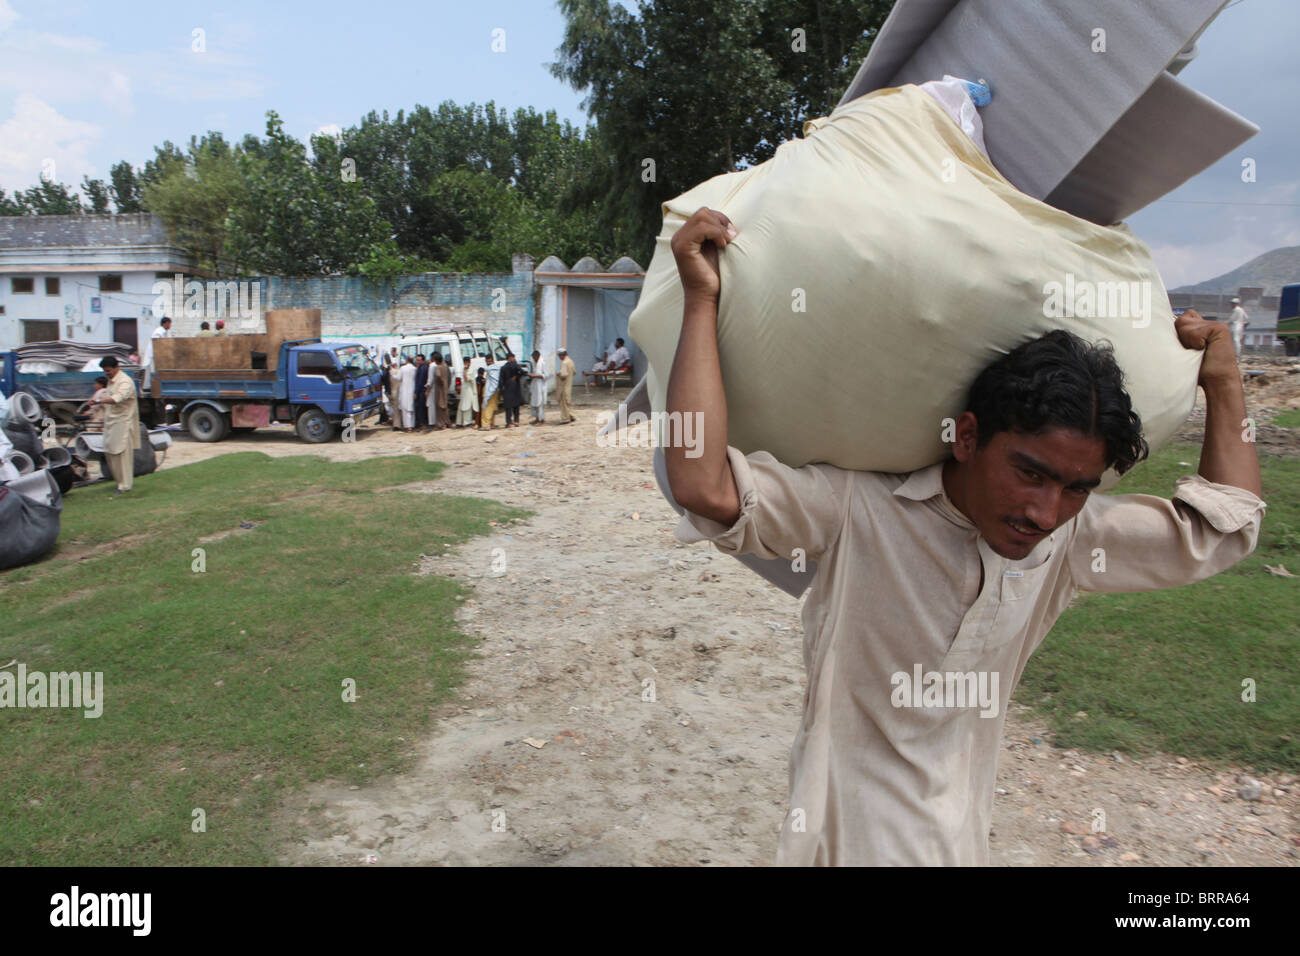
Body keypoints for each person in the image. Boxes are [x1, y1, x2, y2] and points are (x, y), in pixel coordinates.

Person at [663, 207, 1265, 867]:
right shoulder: (860, 510)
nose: (1044, 511)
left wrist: (1225, 384)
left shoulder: (1068, 542)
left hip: (959, 844)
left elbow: (1224, 529)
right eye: (1029, 473)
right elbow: (703, 485)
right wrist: (701, 300)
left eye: (1076, 487)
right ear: (969, 437)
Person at [89, 356, 141, 495]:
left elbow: (117, 398)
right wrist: (95, 399)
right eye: (105, 371)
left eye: (109, 370)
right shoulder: (111, 382)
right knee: (111, 453)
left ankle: (125, 485)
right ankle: (119, 483)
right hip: (111, 423)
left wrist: (99, 401)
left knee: (122, 454)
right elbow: (107, 394)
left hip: (123, 423)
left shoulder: (125, 381)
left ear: (117, 367)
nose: (106, 373)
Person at [142, 316, 172, 391]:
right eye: (169, 324)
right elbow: (158, 344)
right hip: (154, 354)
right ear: (165, 323)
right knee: (152, 372)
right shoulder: (158, 332)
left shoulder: (165, 332)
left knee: (156, 371)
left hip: (159, 355)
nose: (170, 325)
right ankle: (149, 387)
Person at [500, 352, 525, 427]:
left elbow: (501, 381)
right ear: (510, 358)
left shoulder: (503, 368)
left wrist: (501, 392)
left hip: (507, 388)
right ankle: (516, 421)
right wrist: (516, 376)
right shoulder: (516, 365)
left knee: (508, 406)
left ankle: (509, 422)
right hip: (515, 387)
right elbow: (522, 372)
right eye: (513, 357)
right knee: (516, 405)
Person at [430, 352, 451, 430]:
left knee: (439, 406)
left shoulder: (437, 367)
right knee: (444, 405)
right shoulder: (445, 366)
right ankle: (447, 422)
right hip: (445, 387)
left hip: (439, 389)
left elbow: (438, 376)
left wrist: (440, 382)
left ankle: (441, 424)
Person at [479, 353, 501, 430]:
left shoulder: (489, 369)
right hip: (494, 390)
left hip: (489, 390)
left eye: (488, 361)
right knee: (493, 407)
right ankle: (492, 423)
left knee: (486, 408)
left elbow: (492, 380)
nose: (488, 363)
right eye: (487, 361)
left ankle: (486, 425)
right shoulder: (497, 368)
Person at [555, 347, 576, 424]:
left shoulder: (564, 363)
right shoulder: (571, 361)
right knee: (568, 401)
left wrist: (559, 374)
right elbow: (574, 372)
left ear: (562, 355)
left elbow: (563, 375)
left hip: (563, 385)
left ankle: (565, 418)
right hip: (569, 384)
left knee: (563, 402)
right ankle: (571, 415)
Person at [456, 357, 479, 428]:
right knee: (461, 405)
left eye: (467, 362)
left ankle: (467, 422)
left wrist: (464, 370)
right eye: (465, 362)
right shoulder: (463, 369)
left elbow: (466, 379)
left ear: (469, 362)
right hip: (464, 390)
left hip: (469, 390)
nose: (466, 364)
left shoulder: (472, 370)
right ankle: (459, 422)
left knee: (467, 406)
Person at [396, 356, 416, 431]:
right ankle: (412, 425)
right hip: (412, 390)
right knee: (411, 408)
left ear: (407, 361)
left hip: (404, 390)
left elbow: (398, 378)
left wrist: (392, 372)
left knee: (405, 409)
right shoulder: (414, 369)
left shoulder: (403, 368)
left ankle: (408, 426)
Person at [528, 350, 547, 424]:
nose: (533, 359)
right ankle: (537, 418)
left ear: (537, 356)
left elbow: (546, 375)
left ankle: (542, 419)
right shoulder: (533, 363)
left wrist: (535, 376)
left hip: (541, 386)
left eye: (534, 357)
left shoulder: (543, 363)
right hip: (534, 386)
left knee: (540, 403)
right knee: (534, 402)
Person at [414, 354, 430, 430]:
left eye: (419, 360)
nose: (417, 361)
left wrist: (416, 392)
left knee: (421, 408)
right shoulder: (421, 367)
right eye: (417, 360)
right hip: (421, 390)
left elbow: (420, 382)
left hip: (421, 391)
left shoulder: (423, 368)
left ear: (423, 360)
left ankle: (422, 423)